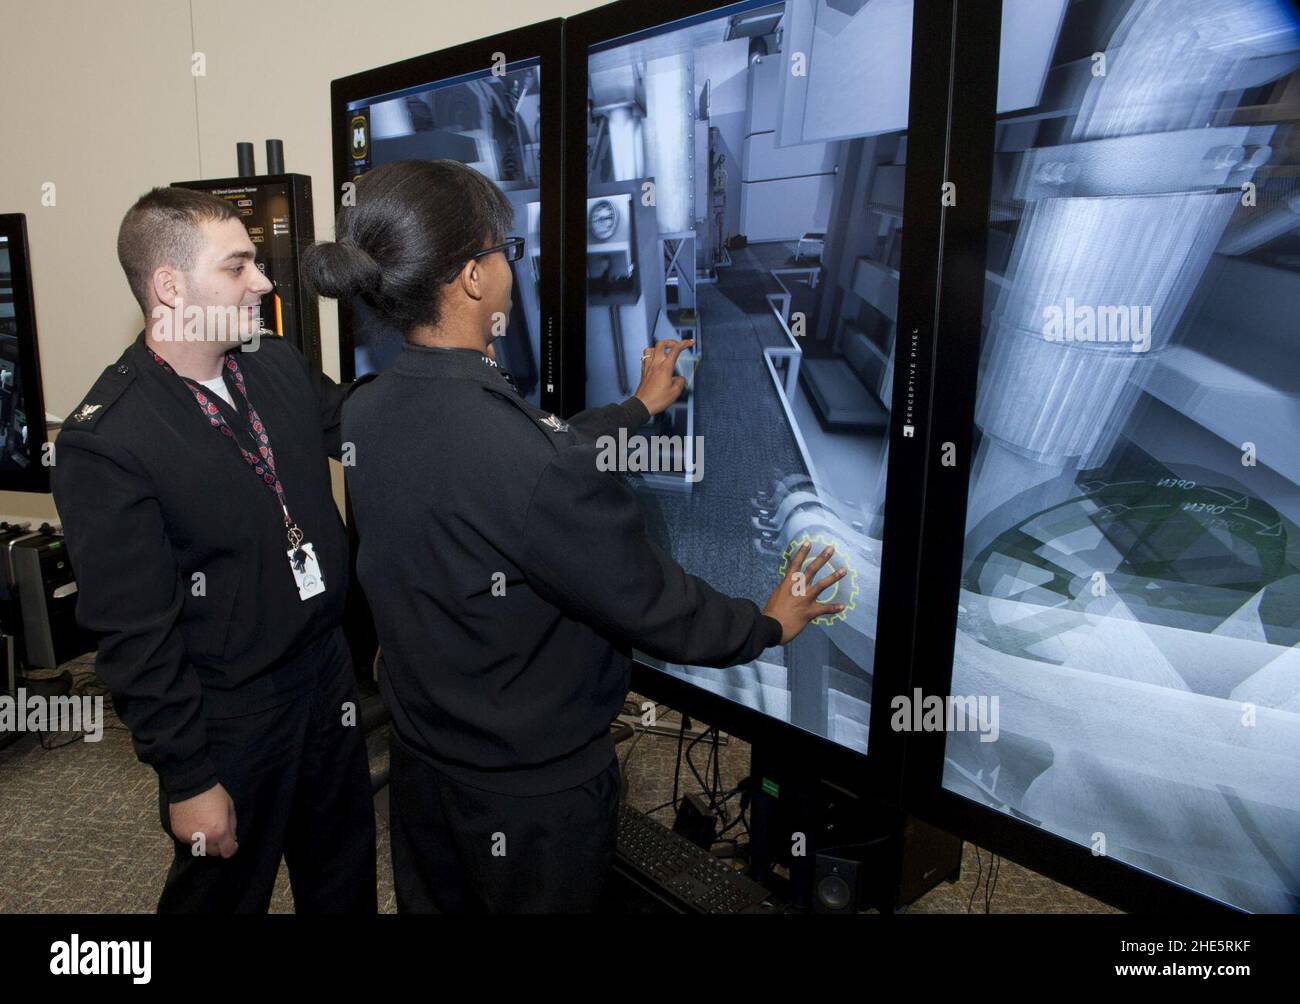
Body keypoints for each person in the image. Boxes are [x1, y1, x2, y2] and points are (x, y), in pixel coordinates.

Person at [304, 159, 845, 913]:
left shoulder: (366, 411)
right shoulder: (532, 465)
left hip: (425, 766)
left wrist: (634, 408)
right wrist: (764, 626)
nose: (511, 268)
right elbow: (656, 605)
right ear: (472, 278)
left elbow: (519, 457)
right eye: (505, 251)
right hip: (533, 802)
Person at [52, 187, 376, 913]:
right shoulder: (108, 442)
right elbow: (134, 635)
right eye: (237, 267)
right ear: (171, 287)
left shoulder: (272, 363)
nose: (262, 283)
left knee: (344, 875)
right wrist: (189, 778)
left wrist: (440, 378)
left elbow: (359, 427)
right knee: (221, 896)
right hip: (229, 714)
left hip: (327, 674)